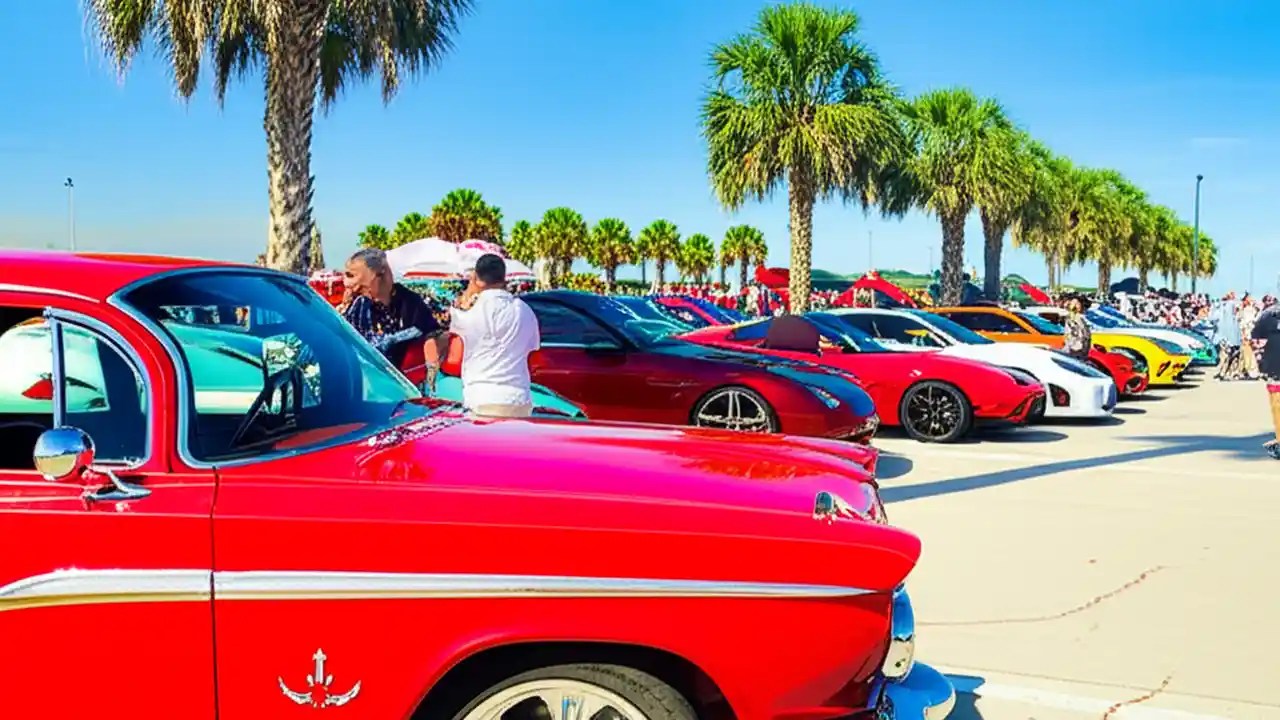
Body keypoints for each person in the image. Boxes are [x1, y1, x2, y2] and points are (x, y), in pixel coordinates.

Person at [449, 253, 540, 417]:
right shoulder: (525, 310)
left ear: (475, 278)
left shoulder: (466, 314)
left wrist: (466, 295)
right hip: (519, 399)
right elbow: (532, 355)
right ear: (504, 278)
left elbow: (454, 359)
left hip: (480, 399)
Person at [341, 248, 445, 391]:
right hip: (365, 386)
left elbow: (433, 336)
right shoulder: (359, 306)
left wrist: (431, 378)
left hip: (402, 388)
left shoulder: (412, 303)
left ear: (381, 274)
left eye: (362, 287)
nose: (354, 290)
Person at [1252, 296, 1280, 459]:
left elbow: (1256, 340)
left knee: (1277, 405)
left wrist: (1260, 361)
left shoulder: (1267, 314)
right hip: (1273, 365)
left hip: (1274, 366)